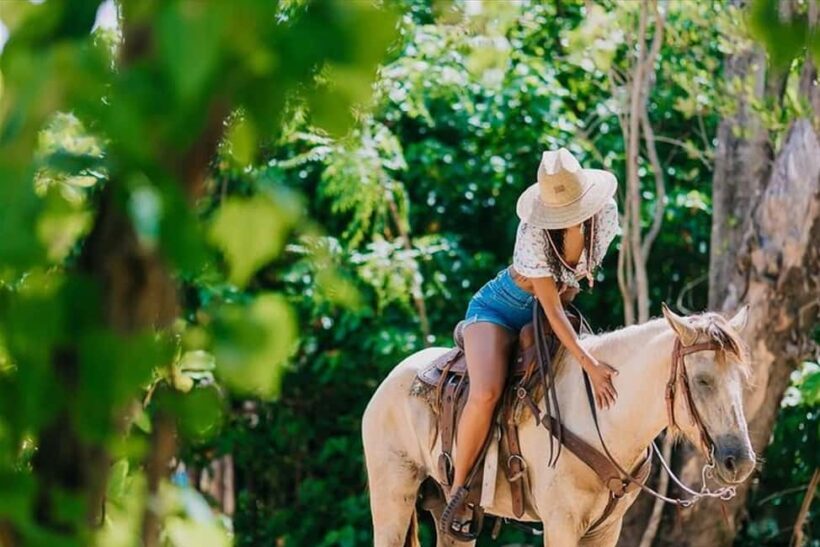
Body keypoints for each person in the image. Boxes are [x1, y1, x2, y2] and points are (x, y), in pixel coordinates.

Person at [442, 148, 621, 538]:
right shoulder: (535, 231)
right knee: (487, 392)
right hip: (500, 309)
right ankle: (458, 488)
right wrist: (590, 362)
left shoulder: (604, 216)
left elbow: (572, 286)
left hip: (550, 310)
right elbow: (553, 311)